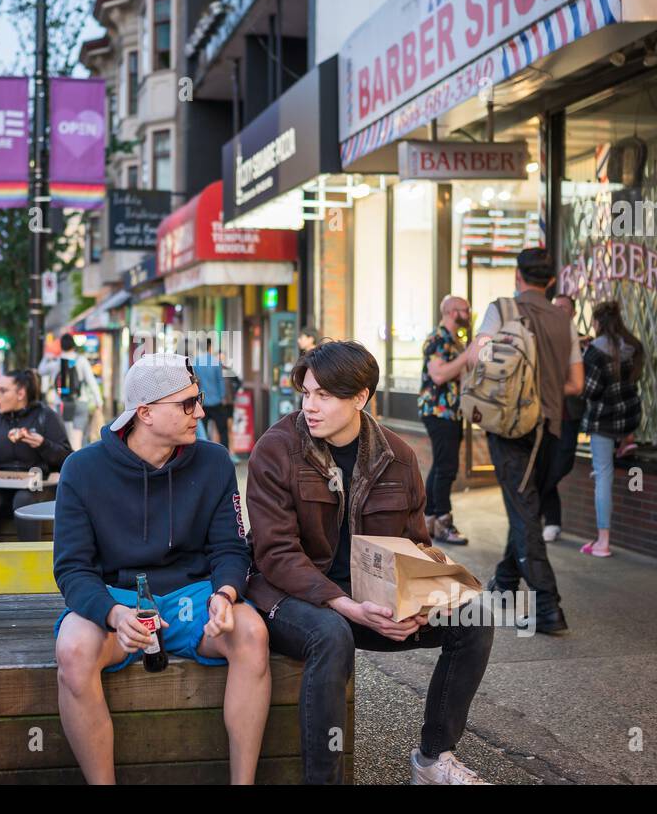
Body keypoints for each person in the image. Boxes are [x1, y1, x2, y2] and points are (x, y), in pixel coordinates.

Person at [246, 340, 494, 784]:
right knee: (331, 632)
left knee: (476, 615)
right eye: (306, 394)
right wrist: (344, 605)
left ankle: (433, 759)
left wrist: (414, 605)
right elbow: (274, 553)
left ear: (360, 397)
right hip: (291, 598)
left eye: (324, 395)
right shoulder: (277, 449)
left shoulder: (397, 457)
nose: (310, 407)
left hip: (370, 601)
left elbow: (415, 547)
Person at [52, 352, 270, 784]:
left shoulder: (213, 461)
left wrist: (226, 594)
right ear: (146, 413)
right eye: (187, 404)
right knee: (73, 650)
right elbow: (73, 569)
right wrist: (113, 614)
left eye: (199, 399)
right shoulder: (82, 469)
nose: (201, 412)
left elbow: (231, 547)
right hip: (117, 600)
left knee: (252, 633)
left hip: (194, 598)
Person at [466, 248, 583, 635]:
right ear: (550, 281)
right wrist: (546, 388)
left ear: (518, 276)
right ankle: (504, 583)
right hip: (549, 430)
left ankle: (548, 607)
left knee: (523, 512)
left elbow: (476, 357)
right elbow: (576, 384)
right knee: (526, 506)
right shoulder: (564, 320)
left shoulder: (502, 309)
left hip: (511, 428)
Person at [0, 369, 71, 543]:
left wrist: (43, 444)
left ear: (21, 393)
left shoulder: (46, 417)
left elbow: (68, 459)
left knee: (24, 499)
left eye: (3, 391)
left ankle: (29, 562)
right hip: (0, 485)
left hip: (38, 487)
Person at [580, 301, 644, 558]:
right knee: (612, 469)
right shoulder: (632, 346)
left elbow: (591, 390)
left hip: (604, 421)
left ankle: (602, 541)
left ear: (598, 323)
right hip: (628, 418)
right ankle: (627, 441)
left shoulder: (595, 352)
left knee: (603, 475)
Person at [419, 295, 471, 546]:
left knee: (441, 465)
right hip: (439, 411)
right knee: (447, 467)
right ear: (452, 312)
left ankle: (428, 518)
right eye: (465, 309)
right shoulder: (437, 339)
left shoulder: (454, 341)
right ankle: (443, 522)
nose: (469, 313)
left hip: (452, 411)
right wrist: (467, 356)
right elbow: (438, 375)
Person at [540, 295, 586, 543]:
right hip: (546, 415)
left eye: (563, 308)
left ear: (573, 314)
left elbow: (582, 383)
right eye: (555, 308)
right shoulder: (543, 340)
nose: (558, 312)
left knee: (559, 467)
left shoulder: (581, 343)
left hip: (569, 416)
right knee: (546, 467)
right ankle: (553, 522)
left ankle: (536, 511)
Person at [39, 333, 103, 450]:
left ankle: (68, 461)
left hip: (62, 403)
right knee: (77, 438)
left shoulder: (56, 362)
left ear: (61, 346)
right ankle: (76, 460)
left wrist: (46, 357)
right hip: (80, 401)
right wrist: (99, 401)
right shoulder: (81, 360)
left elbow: (41, 371)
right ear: (73, 346)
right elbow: (91, 381)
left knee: (66, 437)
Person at [195, 337, 232, 451]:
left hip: (203, 403)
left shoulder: (196, 362)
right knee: (223, 430)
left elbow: (197, 382)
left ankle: (203, 454)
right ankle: (225, 453)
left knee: (202, 432)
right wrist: (222, 397)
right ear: (210, 347)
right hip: (216, 402)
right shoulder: (216, 361)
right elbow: (220, 381)